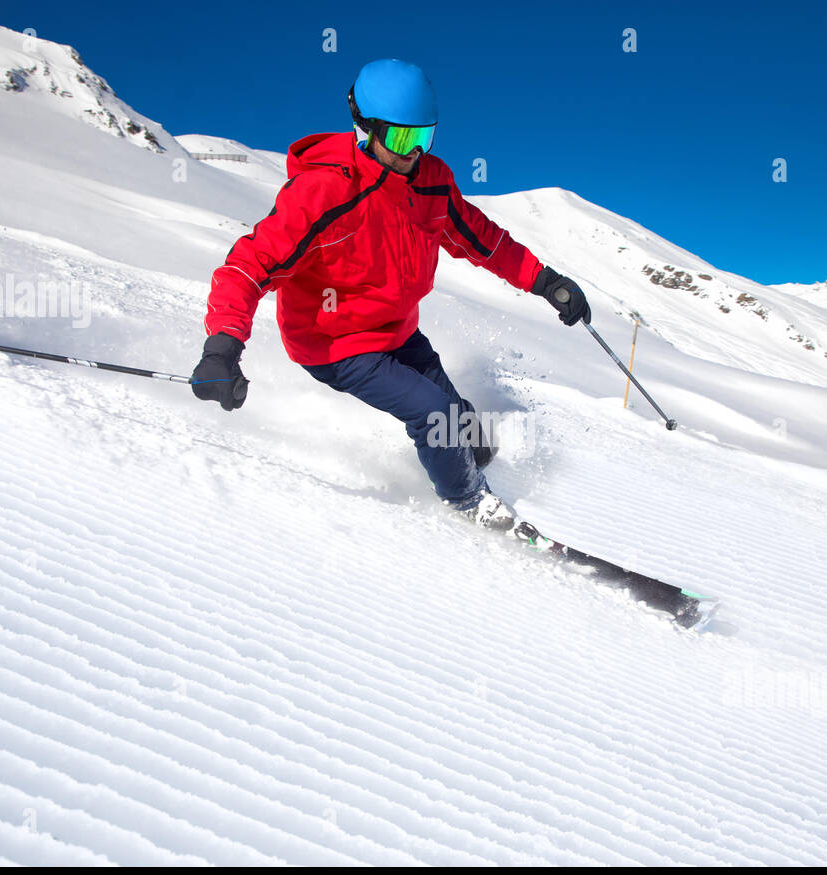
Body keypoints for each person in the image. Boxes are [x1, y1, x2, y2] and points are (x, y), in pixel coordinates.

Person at [191, 58, 590, 531]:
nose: (413, 154)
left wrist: (546, 281)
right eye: (402, 140)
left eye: (424, 138)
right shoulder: (323, 192)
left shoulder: (430, 184)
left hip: (397, 332)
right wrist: (222, 347)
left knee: (468, 433)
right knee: (435, 414)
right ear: (365, 127)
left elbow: (482, 239)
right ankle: (470, 509)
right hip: (335, 343)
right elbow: (247, 266)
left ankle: (468, 467)